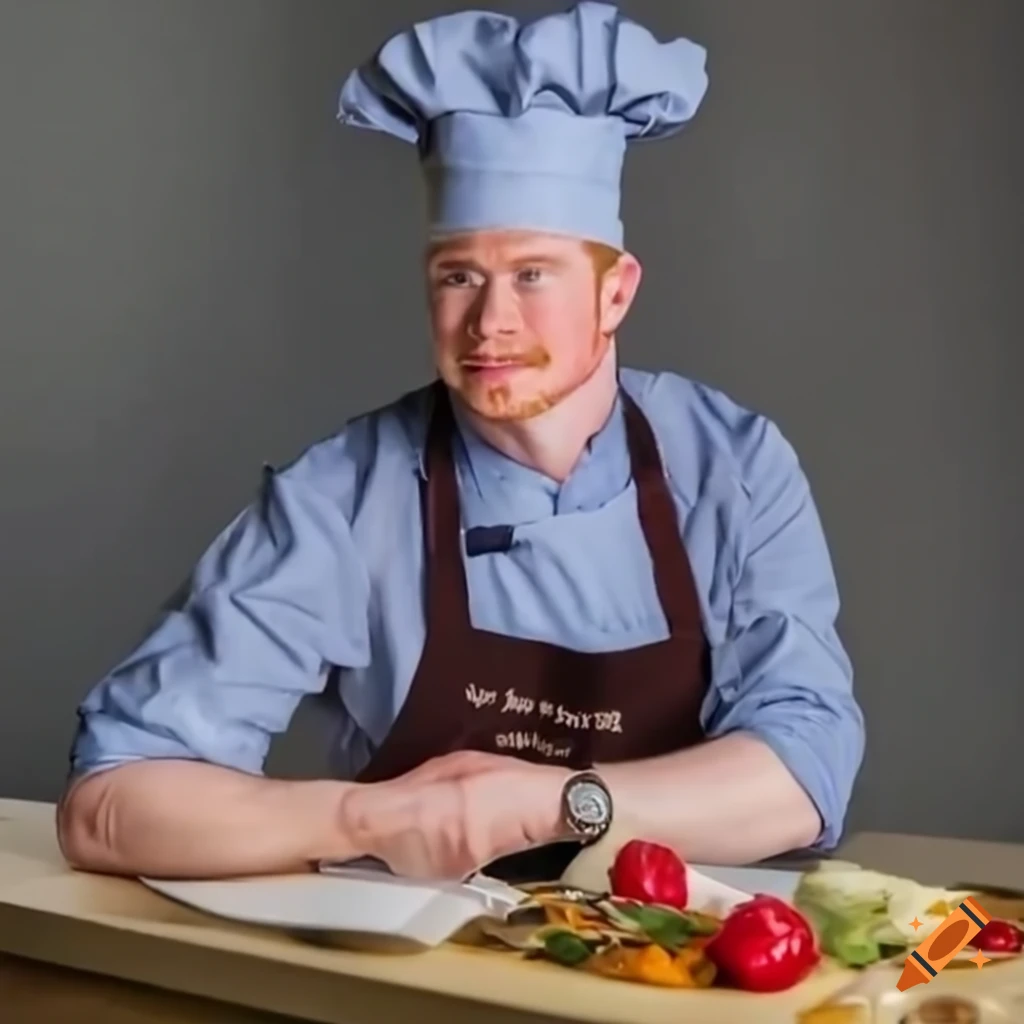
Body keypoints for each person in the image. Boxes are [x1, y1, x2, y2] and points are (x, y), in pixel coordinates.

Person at [57, 2, 864, 883]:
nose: (491, 321)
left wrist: (549, 803)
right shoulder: (343, 496)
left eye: (531, 274)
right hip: (417, 972)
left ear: (616, 292)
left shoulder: (732, 468)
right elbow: (110, 804)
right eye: (459, 276)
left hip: (672, 975)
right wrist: (372, 812)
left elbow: (803, 771)